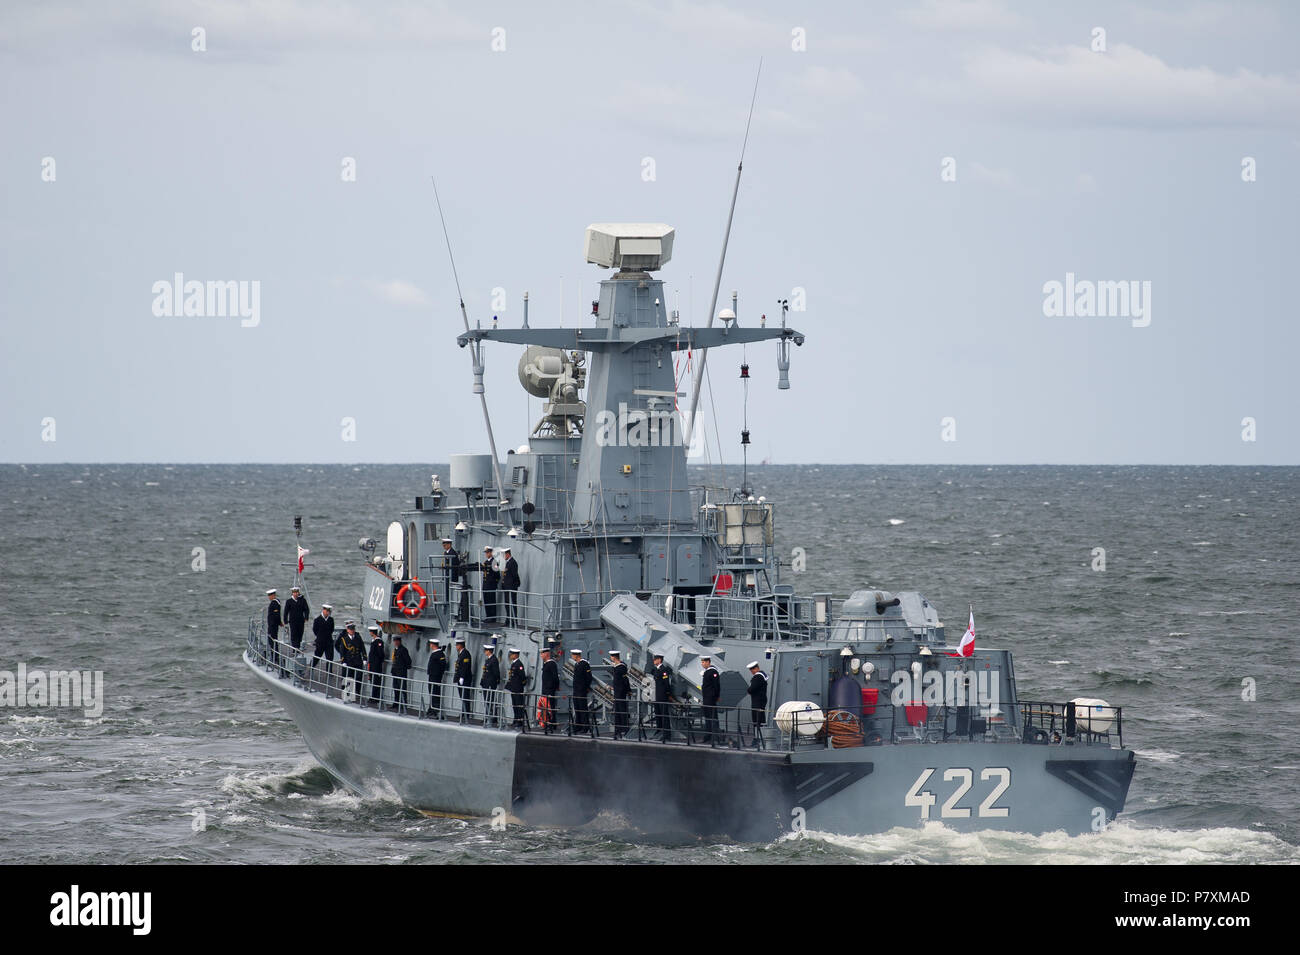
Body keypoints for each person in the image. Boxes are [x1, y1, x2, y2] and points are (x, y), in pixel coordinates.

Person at [336, 622, 366, 700]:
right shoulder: (344, 639)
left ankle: (357, 692)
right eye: (351, 629)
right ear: (347, 630)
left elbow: (362, 648)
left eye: (353, 629)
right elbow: (342, 651)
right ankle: (348, 692)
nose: (352, 631)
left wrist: (364, 658)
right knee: (349, 677)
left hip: (358, 660)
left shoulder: (358, 638)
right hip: (349, 661)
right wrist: (343, 661)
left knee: (359, 677)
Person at [440, 539, 466, 620]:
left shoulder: (453, 553)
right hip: (447, 576)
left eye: (445, 545)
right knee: (448, 592)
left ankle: (454, 612)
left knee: (453, 594)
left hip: (452, 577)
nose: (444, 546)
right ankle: (449, 610)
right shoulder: (446, 553)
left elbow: (454, 566)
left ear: (449, 545)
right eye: (443, 545)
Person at [570, 648, 593, 735]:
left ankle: (585, 727)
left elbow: (588, 677)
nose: (572, 656)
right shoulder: (577, 664)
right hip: (576, 690)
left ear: (576, 655)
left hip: (581, 690)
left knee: (583, 709)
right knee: (577, 709)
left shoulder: (584, 664)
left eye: (573, 655)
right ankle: (578, 726)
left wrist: (586, 687)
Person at [746, 660, 768, 747]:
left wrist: (748, 690)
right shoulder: (762, 676)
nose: (751, 671)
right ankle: (760, 738)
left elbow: (752, 689)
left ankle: (757, 739)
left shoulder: (757, 677)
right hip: (761, 701)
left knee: (757, 720)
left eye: (752, 670)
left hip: (757, 702)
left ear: (756, 668)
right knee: (760, 719)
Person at [310, 603, 335, 680]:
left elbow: (332, 629)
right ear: (323, 610)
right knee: (317, 656)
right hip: (320, 642)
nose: (328, 612)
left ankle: (329, 672)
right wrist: (320, 637)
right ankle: (311, 667)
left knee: (330, 658)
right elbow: (315, 630)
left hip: (329, 642)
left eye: (329, 611)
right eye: (327, 611)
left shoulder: (331, 620)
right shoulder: (317, 620)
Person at [651, 652, 672, 740]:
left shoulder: (663, 670)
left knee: (664, 716)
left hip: (662, 696)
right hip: (656, 696)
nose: (654, 661)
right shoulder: (656, 670)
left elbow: (666, 684)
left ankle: (666, 734)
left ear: (659, 660)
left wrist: (667, 694)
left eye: (655, 659)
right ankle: (659, 731)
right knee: (658, 715)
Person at [538, 643, 559, 733]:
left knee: (550, 707)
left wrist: (554, 687)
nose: (541, 655)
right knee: (546, 707)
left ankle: (551, 724)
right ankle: (547, 723)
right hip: (546, 689)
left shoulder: (551, 664)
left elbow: (555, 677)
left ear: (547, 654)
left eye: (542, 653)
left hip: (549, 690)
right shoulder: (547, 664)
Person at [609, 649, 629, 739]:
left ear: (614, 657)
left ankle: (624, 729)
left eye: (611, 656)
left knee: (622, 711)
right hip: (617, 692)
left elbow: (625, 680)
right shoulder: (616, 667)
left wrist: (628, 690)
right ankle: (618, 729)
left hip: (621, 692)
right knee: (617, 711)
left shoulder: (621, 667)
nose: (611, 658)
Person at [700, 655, 721, 743]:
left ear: (708, 662)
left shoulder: (713, 672)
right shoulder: (707, 672)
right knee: (708, 718)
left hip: (711, 699)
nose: (702, 664)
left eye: (704, 662)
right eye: (701, 662)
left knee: (713, 718)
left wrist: (716, 697)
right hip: (706, 698)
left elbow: (717, 686)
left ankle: (716, 737)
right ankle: (708, 736)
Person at [426, 637, 448, 718]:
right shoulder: (435, 653)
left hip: (436, 678)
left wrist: (438, 674)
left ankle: (435, 711)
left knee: (435, 694)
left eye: (431, 644)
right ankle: (431, 710)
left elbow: (443, 664)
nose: (430, 645)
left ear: (432, 645)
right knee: (432, 693)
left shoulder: (439, 654)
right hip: (432, 677)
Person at [453, 636, 474, 720]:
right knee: (462, 696)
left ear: (461, 645)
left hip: (465, 679)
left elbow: (465, 666)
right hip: (460, 678)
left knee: (465, 696)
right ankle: (464, 712)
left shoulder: (465, 654)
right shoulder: (461, 653)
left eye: (457, 645)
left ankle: (466, 713)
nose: (456, 646)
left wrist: (462, 677)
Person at [505, 648, 527, 728]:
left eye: (512, 654)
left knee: (518, 704)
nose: (510, 656)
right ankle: (516, 719)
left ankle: (519, 720)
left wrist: (520, 686)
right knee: (514, 704)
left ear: (516, 655)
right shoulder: (514, 664)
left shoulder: (519, 664)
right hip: (513, 688)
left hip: (518, 688)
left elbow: (523, 677)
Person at [480, 643, 501, 725]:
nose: (485, 652)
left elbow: (496, 673)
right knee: (487, 700)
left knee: (490, 700)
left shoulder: (494, 660)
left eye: (485, 650)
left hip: (490, 684)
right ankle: (488, 716)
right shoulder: (488, 659)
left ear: (489, 651)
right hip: (486, 683)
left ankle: (491, 717)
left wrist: (493, 683)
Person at [478, 546, 500, 624]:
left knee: (491, 601)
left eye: (488, 552)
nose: (487, 554)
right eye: (486, 553)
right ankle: (488, 616)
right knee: (486, 601)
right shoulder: (485, 562)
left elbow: (497, 575)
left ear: (491, 553)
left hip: (491, 585)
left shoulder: (494, 562)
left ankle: (492, 617)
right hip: (485, 585)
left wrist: (493, 583)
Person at [284, 585, 310, 651]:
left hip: (301, 621)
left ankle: (298, 647)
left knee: (300, 634)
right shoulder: (289, 601)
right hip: (293, 621)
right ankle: (295, 648)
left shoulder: (302, 600)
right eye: (294, 592)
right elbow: (286, 612)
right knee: (294, 634)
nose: (296, 594)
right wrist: (285, 621)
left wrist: (306, 617)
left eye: (297, 592)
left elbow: (306, 609)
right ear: (292, 593)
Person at [390, 635, 412, 714]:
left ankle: (403, 704)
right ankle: (396, 702)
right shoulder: (396, 650)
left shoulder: (403, 650)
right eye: (394, 641)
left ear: (399, 641)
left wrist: (404, 668)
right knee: (396, 687)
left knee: (402, 688)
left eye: (397, 641)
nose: (395, 642)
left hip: (401, 672)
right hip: (395, 672)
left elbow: (408, 661)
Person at [366, 625, 386, 708]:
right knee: (373, 681)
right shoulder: (374, 641)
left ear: (372, 632)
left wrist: (377, 663)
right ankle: (373, 696)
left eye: (370, 631)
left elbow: (380, 654)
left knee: (376, 681)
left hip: (376, 666)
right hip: (373, 665)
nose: (370, 633)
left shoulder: (378, 642)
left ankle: (376, 697)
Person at [500, 545, 520, 626]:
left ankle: (513, 621)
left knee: (512, 604)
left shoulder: (513, 563)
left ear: (507, 554)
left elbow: (514, 576)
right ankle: (508, 620)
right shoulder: (507, 562)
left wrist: (511, 586)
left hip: (511, 587)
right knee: (507, 604)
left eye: (504, 555)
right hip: (507, 587)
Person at [265, 589, 283, 671]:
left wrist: (279, 623)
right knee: (272, 641)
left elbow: (276, 615)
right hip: (272, 626)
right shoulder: (275, 602)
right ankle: (275, 656)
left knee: (273, 641)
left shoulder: (275, 603)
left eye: (269, 595)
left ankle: (275, 657)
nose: (269, 597)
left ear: (273, 595)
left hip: (273, 626)